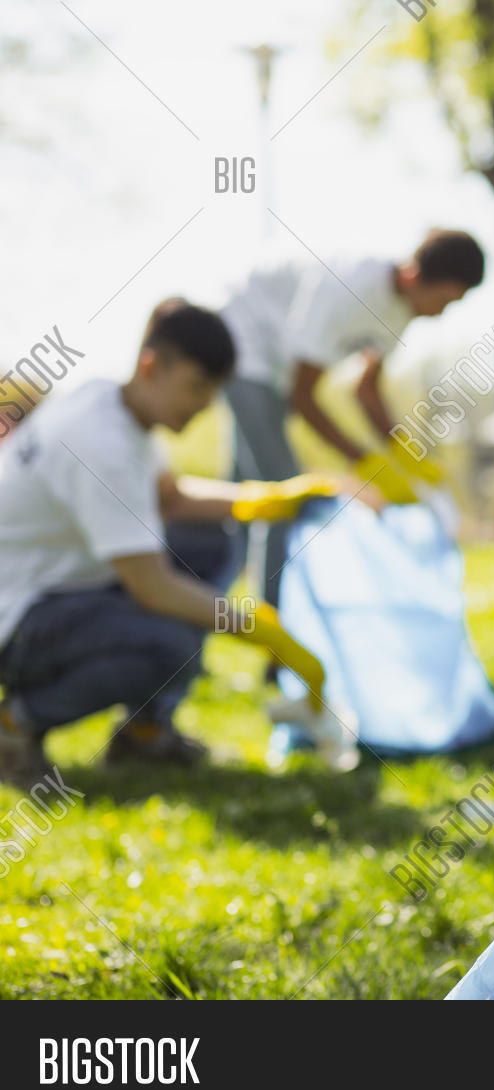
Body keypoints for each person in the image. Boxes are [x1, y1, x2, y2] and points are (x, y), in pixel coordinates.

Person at [0, 300, 332, 789]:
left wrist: (259, 500)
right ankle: (14, 725)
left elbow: (170, 499)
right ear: (152, 366)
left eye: (215, 392)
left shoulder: (112, 405)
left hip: (56, 593)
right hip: (17, 621)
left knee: (206, 545)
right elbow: (152, 589)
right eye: (198, 387)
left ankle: (143, 731)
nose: (204, 405)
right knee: (172, 644)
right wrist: (260, 629)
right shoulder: (98, 442)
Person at [219, 229, 485, 604]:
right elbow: (304, 397)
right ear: (413, 277)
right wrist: (367, 462)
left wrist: (405, 451)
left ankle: (200, 602)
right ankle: (275, 639)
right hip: (243, 346)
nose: (440, 313)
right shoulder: (350, 288)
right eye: (442, 301)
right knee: (282, 493)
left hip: (279, 369)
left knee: (240, 494)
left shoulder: (401, 307)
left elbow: (366, 388)